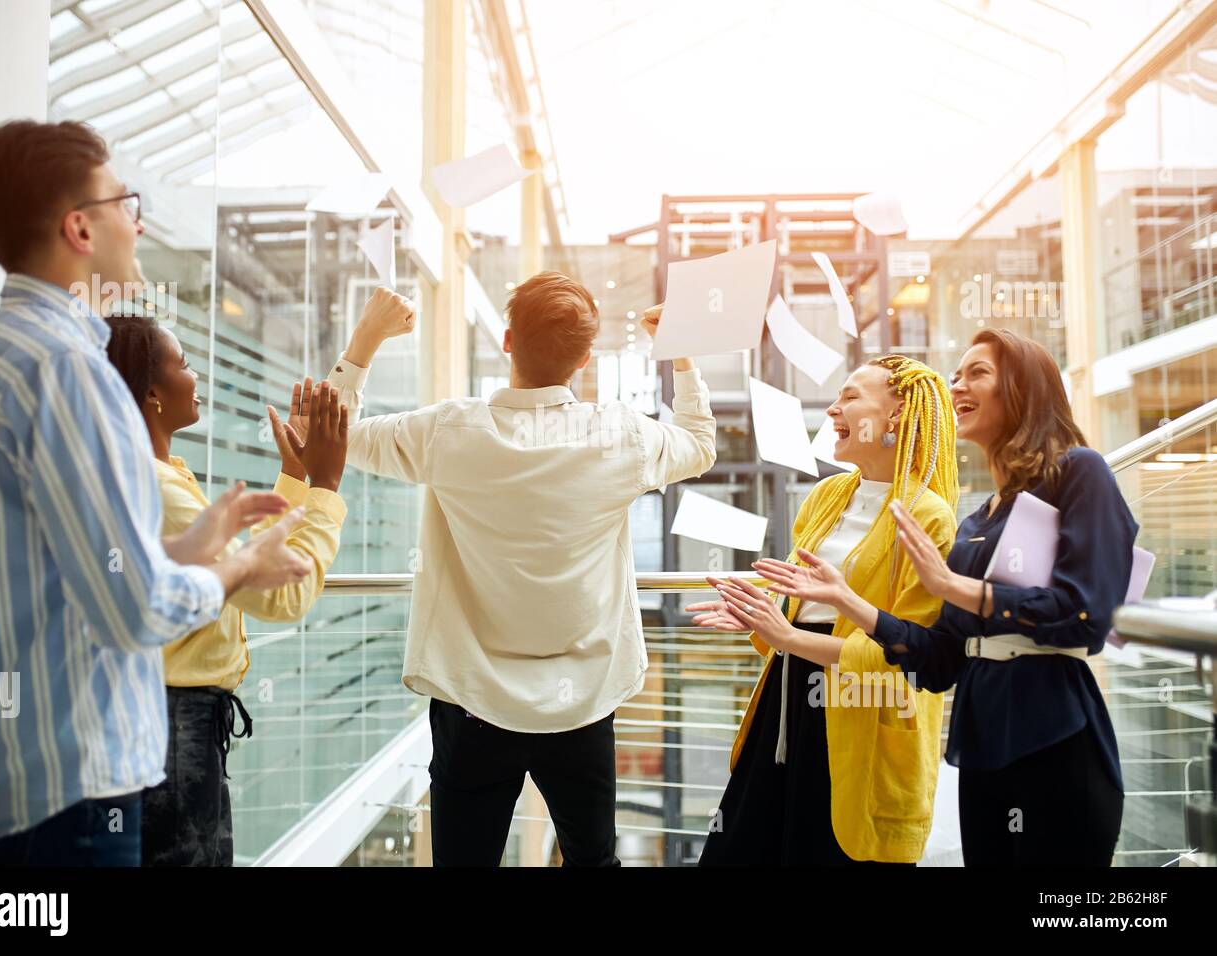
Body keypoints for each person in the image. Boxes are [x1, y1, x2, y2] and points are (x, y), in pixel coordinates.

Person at [0, 119, 312, 867]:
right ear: (80, 228)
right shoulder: (68, 370)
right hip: (62, 799)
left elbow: (54, 571)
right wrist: (238, 569)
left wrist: (189, 547)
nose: (140, 220)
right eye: (124, 202)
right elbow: (136, 609)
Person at [320, 276, 716, 866]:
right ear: (584, 359)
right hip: (581, 703)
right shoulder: (620, 434)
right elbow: (699, 442)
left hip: (472, 702)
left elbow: (332, 434)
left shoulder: (446, 432)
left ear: (507, 341)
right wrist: (681, 348)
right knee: (592, 861)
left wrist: (367, 337)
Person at [765, 329, 1135, 866]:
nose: (957, 385)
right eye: (956, 374)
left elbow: (1086, 615)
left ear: (1025, 387)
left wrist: (953, 587)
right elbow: (937, 661)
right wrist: (849, 603)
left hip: (1056, 731)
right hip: (983, 738)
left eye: (977, 373)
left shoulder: (1081, 470)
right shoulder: (979, 520)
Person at [104, 311, 370, 865]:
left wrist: (295, 479)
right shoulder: (156, 487)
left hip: (175, 723)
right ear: (152, 392)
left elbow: (252, 565)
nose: (196, 375)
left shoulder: (154, 472)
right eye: (184, 363)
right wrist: (325, 484)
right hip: (174, 732)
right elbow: (280, 593)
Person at [687, 355, 958, 865]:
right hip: (786, 703)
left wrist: (788, 638)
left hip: (863, 710)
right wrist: (764, 614)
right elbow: (800, 597)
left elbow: (910, 657)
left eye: (851, 397)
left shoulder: (929, 517)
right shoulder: (829, 495)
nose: (834, 408)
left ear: (896, 414)